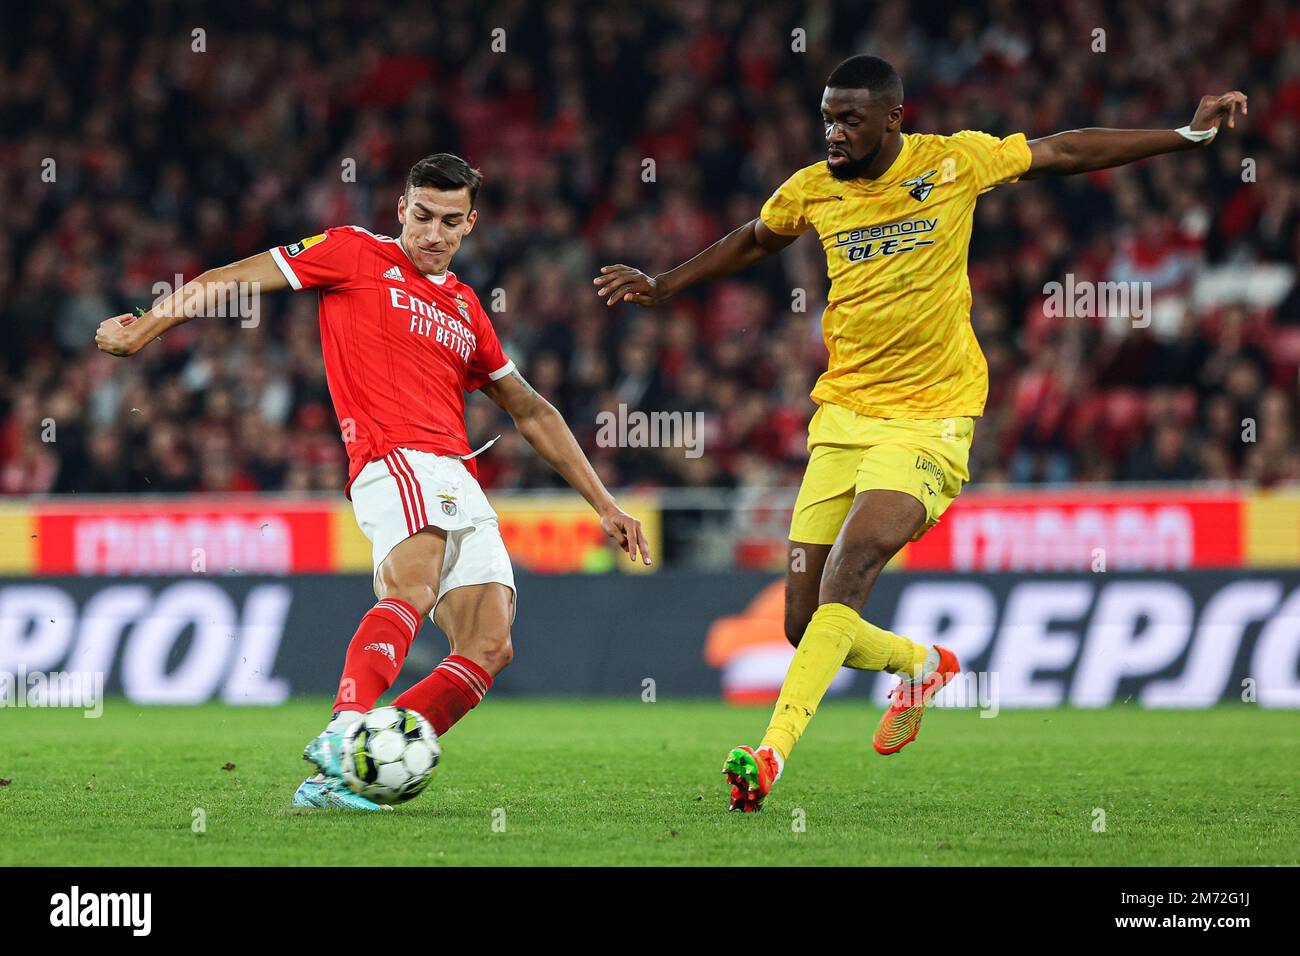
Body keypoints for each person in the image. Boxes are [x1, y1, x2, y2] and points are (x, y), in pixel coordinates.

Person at [593, 55, 1247, 812]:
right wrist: (666, 285)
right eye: (827, 119)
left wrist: (1184, 136)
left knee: (854, 562)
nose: (834, 134)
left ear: (893, 118)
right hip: (842, 417)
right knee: (805, 622)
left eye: (850, 121)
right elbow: (756, 237)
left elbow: (1062, 151)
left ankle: (768, 758)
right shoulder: (812, 188)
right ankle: (922, 663)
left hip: (929, 416)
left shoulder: (952, 161)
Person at [98, 153, 652, 810]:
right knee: (411, 588)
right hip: (397, 458)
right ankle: (344, 730)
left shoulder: (468, 308)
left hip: (458, 474)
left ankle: (346, 778)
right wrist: (146, 328)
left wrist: (605, 503)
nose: (433, 234)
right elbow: (234, 278)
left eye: (450, 221)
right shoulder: (351, 253)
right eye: (422, 216)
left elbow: (531, 410)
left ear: (471, 225)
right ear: (401, 210)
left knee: (490, 643)